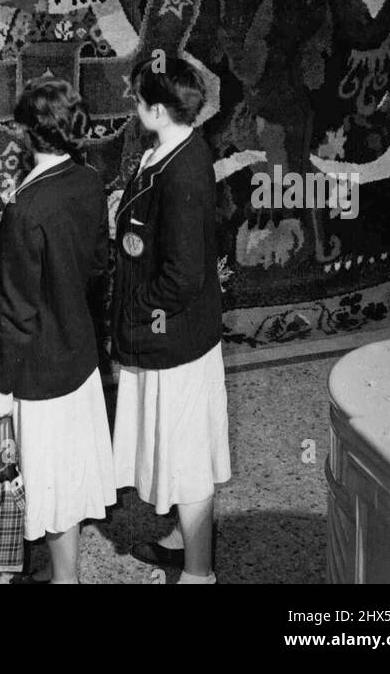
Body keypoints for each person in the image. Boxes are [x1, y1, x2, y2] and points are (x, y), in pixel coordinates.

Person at [0, 77, 116, 585]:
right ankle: (64, 575)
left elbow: (15, 311)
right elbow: (99, 263)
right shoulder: (88, 181)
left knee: (46, 481)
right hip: (78, 357)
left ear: (29, 134)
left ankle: (63, 580)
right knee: (67, 481)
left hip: (34, 371)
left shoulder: (24, 208)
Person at [111, 56, 231, 585]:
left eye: (139, 102)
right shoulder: (171, 148)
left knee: (186, 459)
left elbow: (183, 277)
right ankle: (185, 538)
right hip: (169, 335)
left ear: (158, 110)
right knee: (177, 449)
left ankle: (200, 573)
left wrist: (134, 309)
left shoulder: (182, 171)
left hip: (173, 338)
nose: (135, 109)